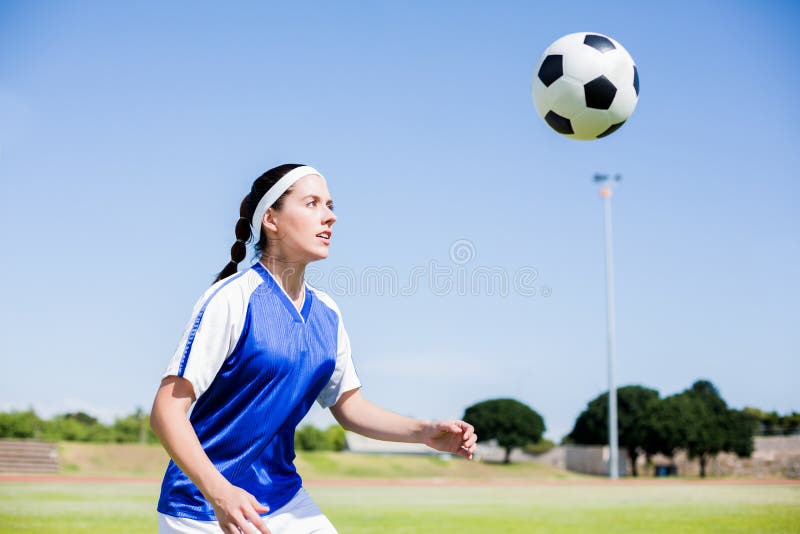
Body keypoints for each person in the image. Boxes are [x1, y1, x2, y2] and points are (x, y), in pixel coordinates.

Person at [151, 163, 478, 534]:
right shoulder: (231, 299)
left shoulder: (327, 313)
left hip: (283, 497)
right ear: (271, 220)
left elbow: (350, 407)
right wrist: (221, 493)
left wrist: (424, 431)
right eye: (312, 204)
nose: (330, 216)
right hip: (202, 506)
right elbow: (166, 411)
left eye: (330, 204)